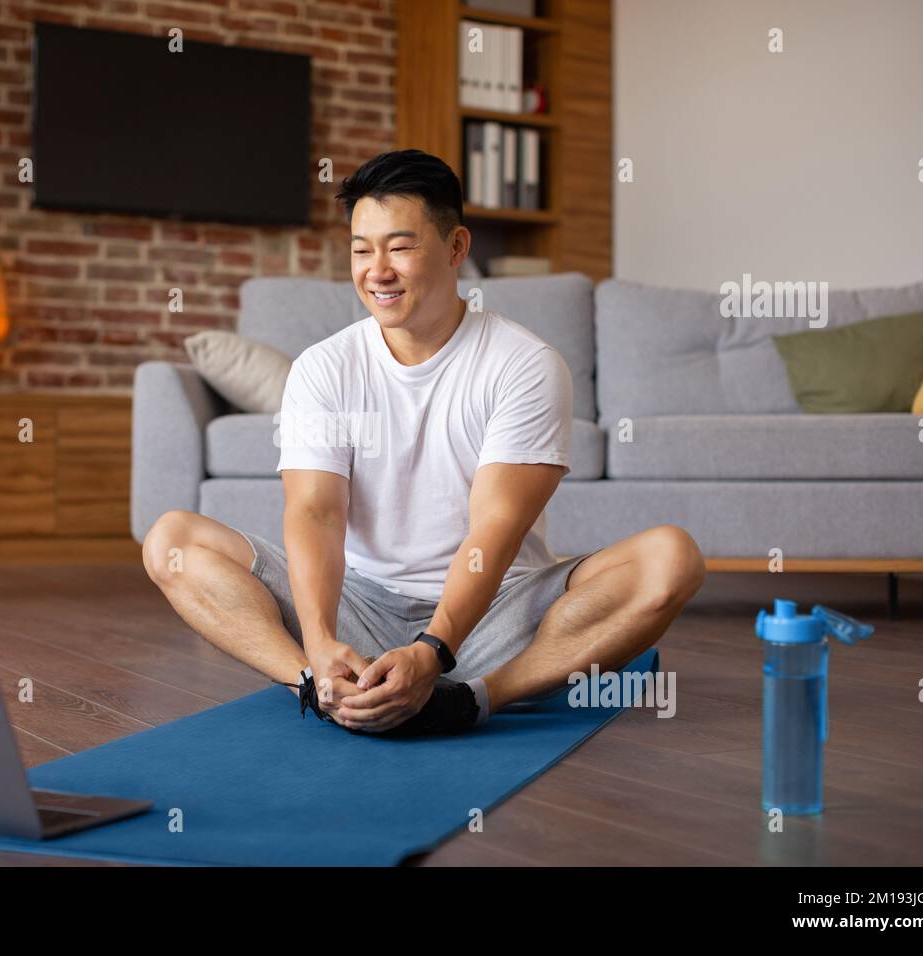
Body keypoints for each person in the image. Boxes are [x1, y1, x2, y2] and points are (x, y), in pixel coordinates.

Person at [143, 149, 705, 737]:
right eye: (362, 250)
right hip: (358, 604)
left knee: (672, 558)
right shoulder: (323, 368)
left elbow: (497, 525)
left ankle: (469, 699)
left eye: (400, 247)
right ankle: (321, 685)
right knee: (173, 541)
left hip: (495, 615)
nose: (376, 270)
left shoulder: (525, 365)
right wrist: (319, 642)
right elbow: (315, 511)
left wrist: (435, 649)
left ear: (457, 247)